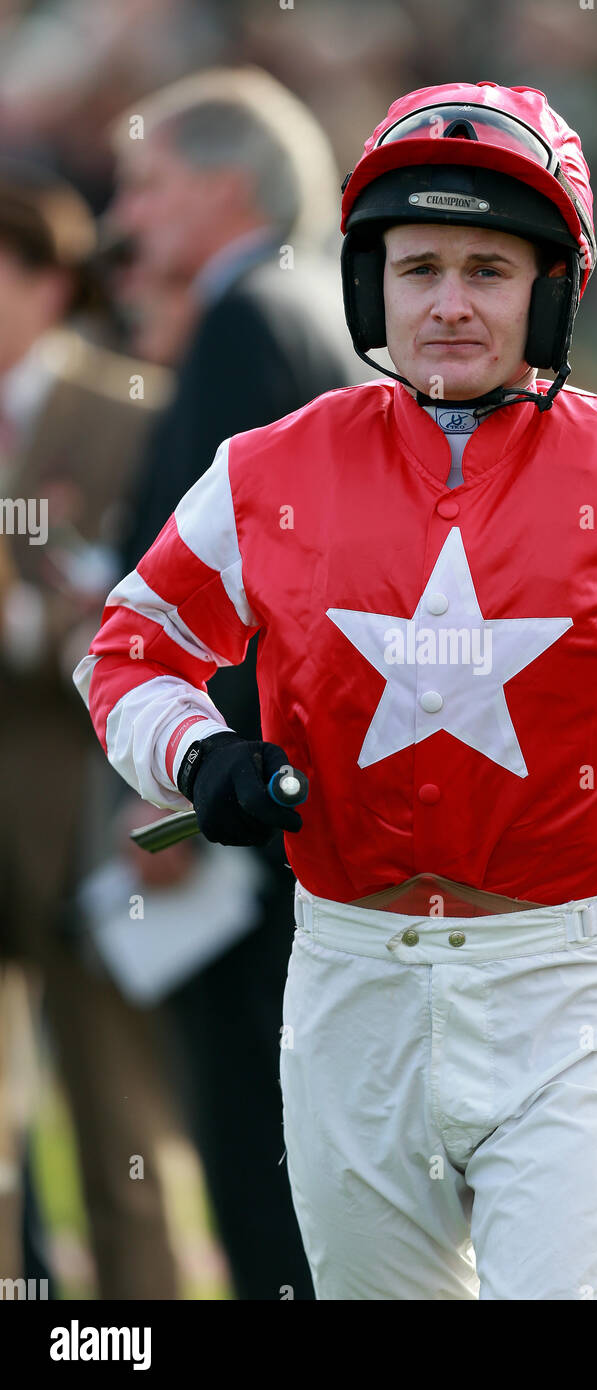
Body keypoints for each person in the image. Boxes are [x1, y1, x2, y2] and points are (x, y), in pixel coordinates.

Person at [73, 81, 597, 1301]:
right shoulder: (266, 469)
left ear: (551, 291)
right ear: (369, 282)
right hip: (347, 984)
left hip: (567, 989)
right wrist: (199, 756)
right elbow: (125, 651)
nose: (447, 303)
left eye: (488, 268)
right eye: (418, 264)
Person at [100, 66, 366, 1300]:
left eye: (148, 186)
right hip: (309, 808)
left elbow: (230, 600)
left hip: (250, 819)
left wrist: (182, 785)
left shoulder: (249, 314)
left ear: (220, 187)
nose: (126, 219)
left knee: (266, 1178)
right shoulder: (318, 309)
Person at [0, 166, 179, 1298]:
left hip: (81, 816)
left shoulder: (131, 409)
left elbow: (152, 610)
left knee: (121, 1136)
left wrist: (30, 621)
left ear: (44, 282)